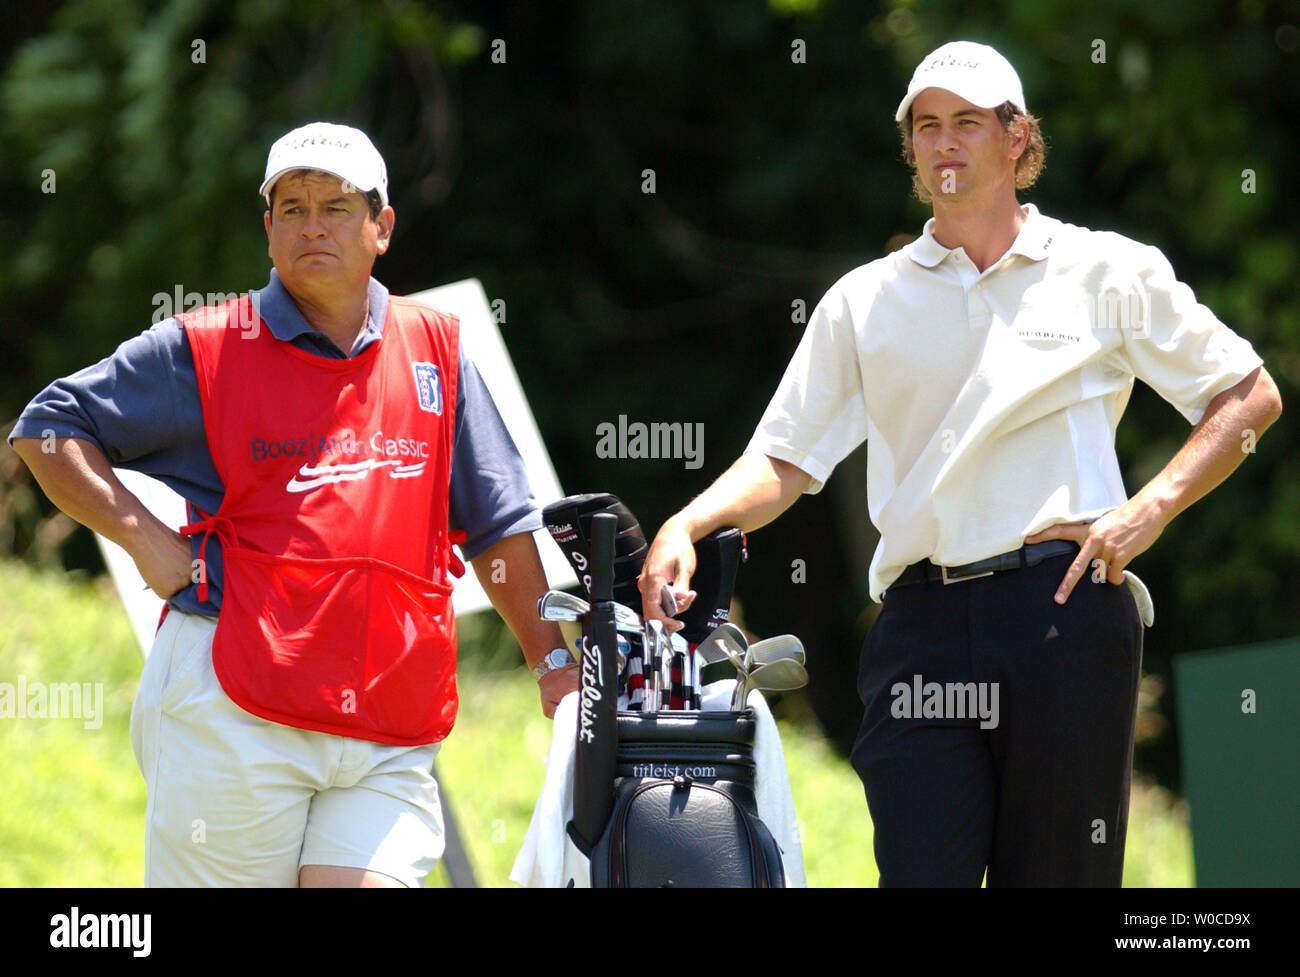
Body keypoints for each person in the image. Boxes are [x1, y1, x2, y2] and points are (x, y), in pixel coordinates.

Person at [637, 41, 1282, 887]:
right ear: (909, 148)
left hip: (1064, 611)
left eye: (967, 123)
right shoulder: (864, 300)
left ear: (1018, 138)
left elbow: (1248, 394)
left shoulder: (1105, 269)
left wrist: (1149, 507)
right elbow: (786, 460)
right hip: (921, 629)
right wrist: (690, 521)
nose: (944, 142)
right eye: (926, 126)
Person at [9, 121, 579, 888]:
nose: (313, 225)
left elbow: (498, 522)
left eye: (337, 207)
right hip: (235, 712)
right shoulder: (207, 346)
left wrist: (549, 657)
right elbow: (48, 430)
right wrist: (143, 537)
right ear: (268, 228)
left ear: (382, 227)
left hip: (388, 722)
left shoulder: (438, 348)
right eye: (293, 206)